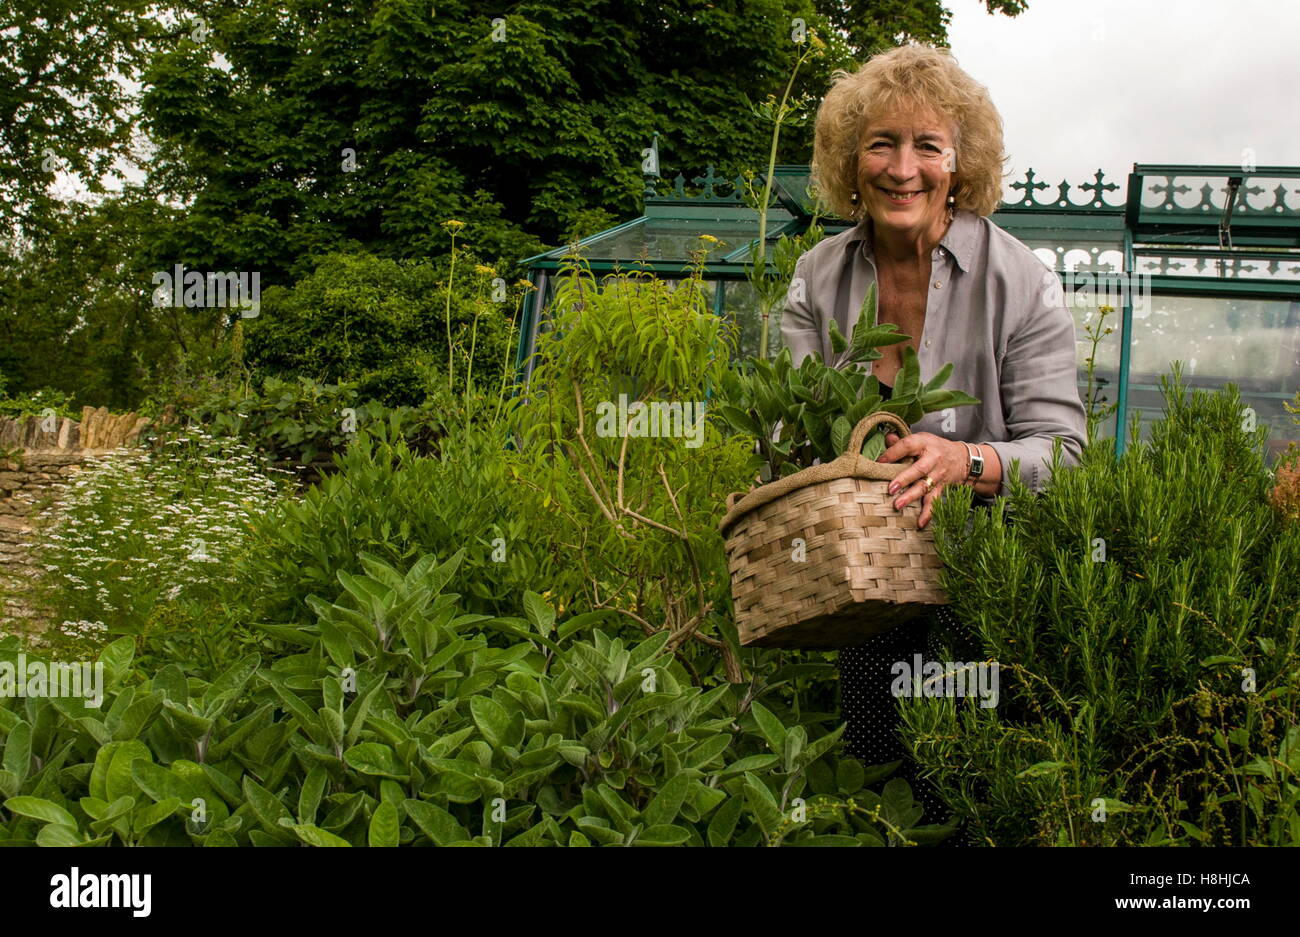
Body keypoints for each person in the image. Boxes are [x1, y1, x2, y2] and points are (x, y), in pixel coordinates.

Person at [780, 43, 1087, 838]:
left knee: (970, 795)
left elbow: (1064, 451)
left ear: (960, 164)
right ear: (851, 162)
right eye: (881, 142)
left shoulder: (1020, 279)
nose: (902, 168)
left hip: (987, 587)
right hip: (865, 588)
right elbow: (787, 426)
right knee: (872, 792)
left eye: (927, 145)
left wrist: (965, 460)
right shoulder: (817, 278)